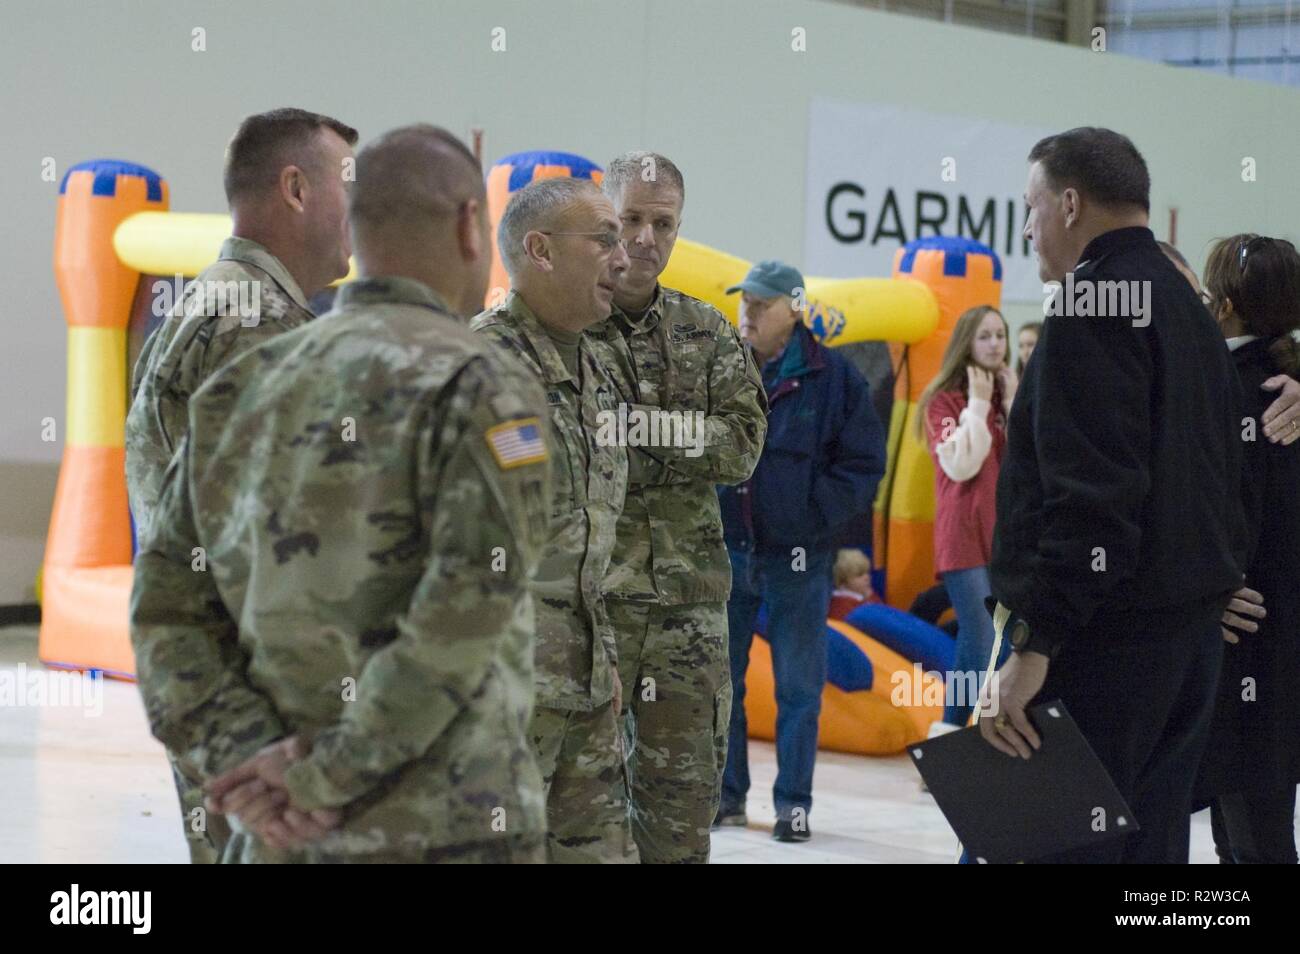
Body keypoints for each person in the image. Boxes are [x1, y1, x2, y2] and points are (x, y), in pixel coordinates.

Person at [130, 124, 553, 863]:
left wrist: (252, 762)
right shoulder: (486, 386)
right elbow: (464, 612)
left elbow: (167, 609)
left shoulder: (242, 387)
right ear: (468, 225)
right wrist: (323, 776)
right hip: (446, 830)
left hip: (278, 838)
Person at [978, 127, 1244, 864]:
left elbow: (1095, 499)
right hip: (1189, 643)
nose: (1027, 228)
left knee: (1062, 846)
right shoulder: (1187, 306)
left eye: (1030, 208)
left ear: (1069, 203)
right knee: (1150, 857)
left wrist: (1036, 642)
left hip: (1107, 642)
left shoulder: (1091, 307)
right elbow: (1222, 475)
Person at [124, 106, 357, 864]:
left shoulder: (227, 303)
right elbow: (272, 541)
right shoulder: (253, 322)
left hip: (223, 686)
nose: (365, 208)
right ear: (296, 189)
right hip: (254, 697)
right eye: (351, 184)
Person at [583, 151, 768, 863]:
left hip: (688, 607)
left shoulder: (707, 329)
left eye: (663, 223)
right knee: (578, 809)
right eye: (630, 219)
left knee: (681, 812)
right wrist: (689, 436)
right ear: (606, 217)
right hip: (590, 604)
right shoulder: (564, 329)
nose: (645, 238)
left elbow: (743, 446)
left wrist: (645, 429)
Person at [470, 177, 637, 862]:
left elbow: (590, 532)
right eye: (604, 240)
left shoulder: (597, 367)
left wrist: (604, 657)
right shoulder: (480, 365)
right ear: (539, 250)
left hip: (588, 687)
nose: (623, 260)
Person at [716, 259, 885, 840]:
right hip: (730, 553)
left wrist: (813, 518)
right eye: (745, 303)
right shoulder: (724, 369)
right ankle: (726, 797)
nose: (748, 314)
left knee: (798, 688)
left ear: (794, 309)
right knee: (723, 683)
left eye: (761, 305)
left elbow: (863, 467)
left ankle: (793, 806)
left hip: (798, 560)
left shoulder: (834, 378)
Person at [1195, 234, 1300, 864]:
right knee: (1246, 819)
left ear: (1226, 303)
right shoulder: (1280, 379)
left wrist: (1205, 582)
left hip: (1248, 626)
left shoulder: (1234, 387)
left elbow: (1222, 512)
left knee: (1252, 826)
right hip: (1272, 627)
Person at [918, 305, 1014, 732]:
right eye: (985, 336)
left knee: (1004, 643)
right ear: (966, 344)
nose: (995, 344)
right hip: (963, 537)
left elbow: (1031, 462)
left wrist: (1010, 402)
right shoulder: (944, 400)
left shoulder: (1011, 392)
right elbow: (962, 465)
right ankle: (954, 735)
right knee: (982, 637)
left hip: (1007, 536)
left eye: (1000, 335)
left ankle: (954, 736)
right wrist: (976, 404)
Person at [828, 549, 882, 621]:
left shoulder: (866, 596)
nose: (867, 577)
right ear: (843, 580)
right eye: (859, 575)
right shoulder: (840, 606)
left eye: (867, 572)